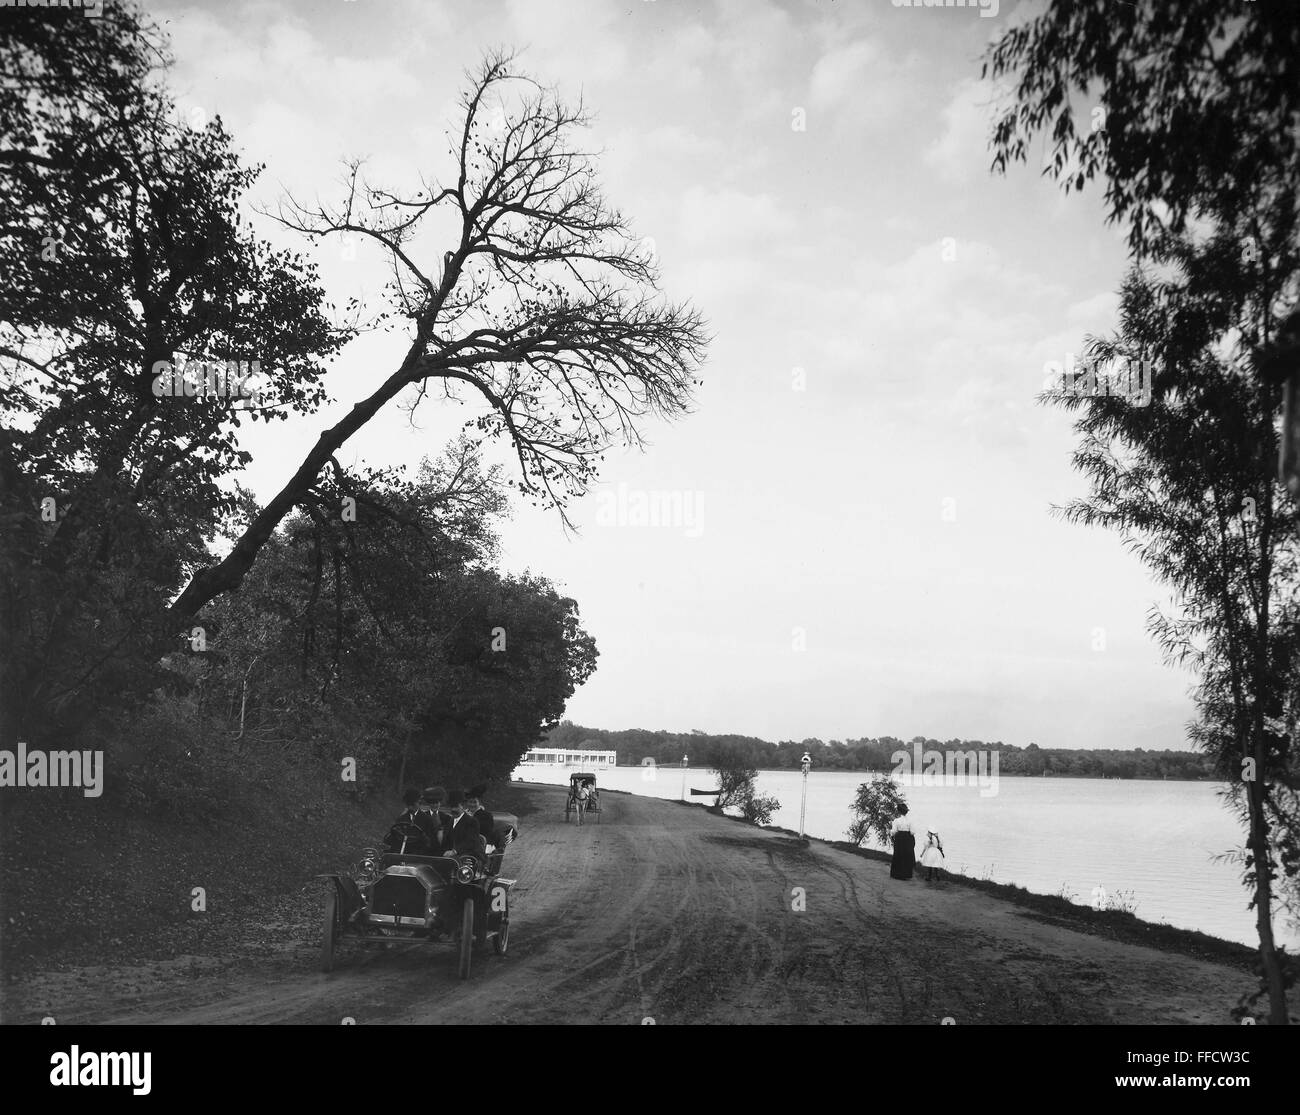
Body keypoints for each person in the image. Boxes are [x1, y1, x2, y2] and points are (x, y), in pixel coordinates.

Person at [442, 790, 483, 858]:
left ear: (463, 806)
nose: (453, 809)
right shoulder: (449, 821)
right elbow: (446, 842)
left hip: (470, 855)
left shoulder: (472, 822)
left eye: (456, 806)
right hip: (451, 857)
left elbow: (470, 842)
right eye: (451, 807)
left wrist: (454, 851)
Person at [465, 785, 495, 851]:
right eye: (470, 802)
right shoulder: (463, 814)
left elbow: (487, 833)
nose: (472, 805)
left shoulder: (486, 816)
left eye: (475, 802)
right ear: (467, 802)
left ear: (479, 803)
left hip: (480, 845)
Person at [889, 805, 916, 880]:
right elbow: (913, 832)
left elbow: (894, 831)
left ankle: (897, 874)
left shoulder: (896, 820)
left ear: (899, 811)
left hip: (899, 838)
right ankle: (906, 874)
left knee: (898, 854)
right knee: (907, 854)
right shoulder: (910, 821)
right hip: (908, 838)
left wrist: (890, 832)